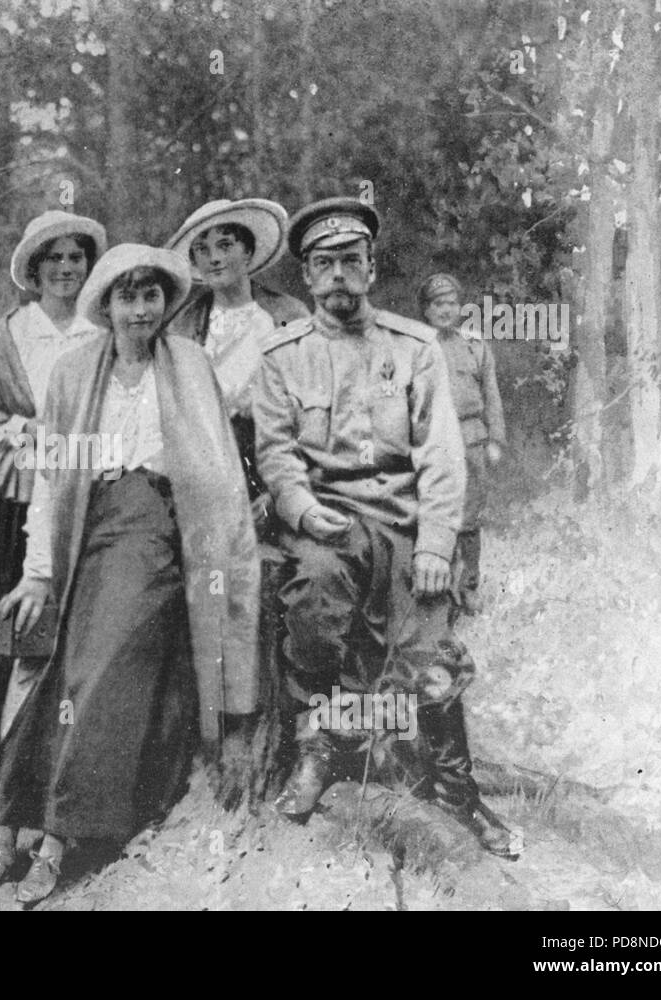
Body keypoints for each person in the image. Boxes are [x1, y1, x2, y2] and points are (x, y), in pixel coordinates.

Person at [0, 244, 260, 907]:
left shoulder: (190, 367)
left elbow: (219, 474)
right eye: (127, 296)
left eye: (151, 295)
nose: (140, 309)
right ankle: (4, 833)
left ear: (165, 303)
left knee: (98, 665)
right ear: (108, 305)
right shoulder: (71, 374)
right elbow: (51, 485)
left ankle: (58, 837)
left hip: (154, 534)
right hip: (84, 531)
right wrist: (37, 575)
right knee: (55, 664)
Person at [254, 197, 519, 858]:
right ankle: (316, 752)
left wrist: (436, 543)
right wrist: (300, 507)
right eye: (324, 264)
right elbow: (277, 455)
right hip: (328, 520)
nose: (339, 274)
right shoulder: (282, 356)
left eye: (351, 260)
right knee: (312, 603)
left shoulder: (416, 346)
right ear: (308, 278)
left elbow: (441, 454)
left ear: (371, 268)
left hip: (405, 518)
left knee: (431, 643)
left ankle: (459, 792)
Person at [0, 211, 107, 797]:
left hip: (88, 488)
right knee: (11, 618)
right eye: (54, 260)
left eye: (76, 258)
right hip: (25, 490)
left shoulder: (101, 329)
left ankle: (66, 752)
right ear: (35, 272)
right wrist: (26, 430)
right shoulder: (10, 335)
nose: (66, 269)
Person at [164, 199, 309, 532]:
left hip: (278, 465)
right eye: (202, 249)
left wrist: (278, 491)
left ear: (248, 251)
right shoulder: (183, 327)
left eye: (225, 245)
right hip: (206, 472)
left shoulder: (288, 316)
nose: (214, 258)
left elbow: (310, 414)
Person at [419, 273, 506, 614]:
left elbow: (492, 396)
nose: (445, 310)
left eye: (452, 303)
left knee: (469, 520)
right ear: (426, 310)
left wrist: (495, 439)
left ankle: (468, 586)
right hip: (433, 443)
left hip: (472, 441)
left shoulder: (475, 346)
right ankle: (436, 594)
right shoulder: (418, 349)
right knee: (435, 515)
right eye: (438, 304)